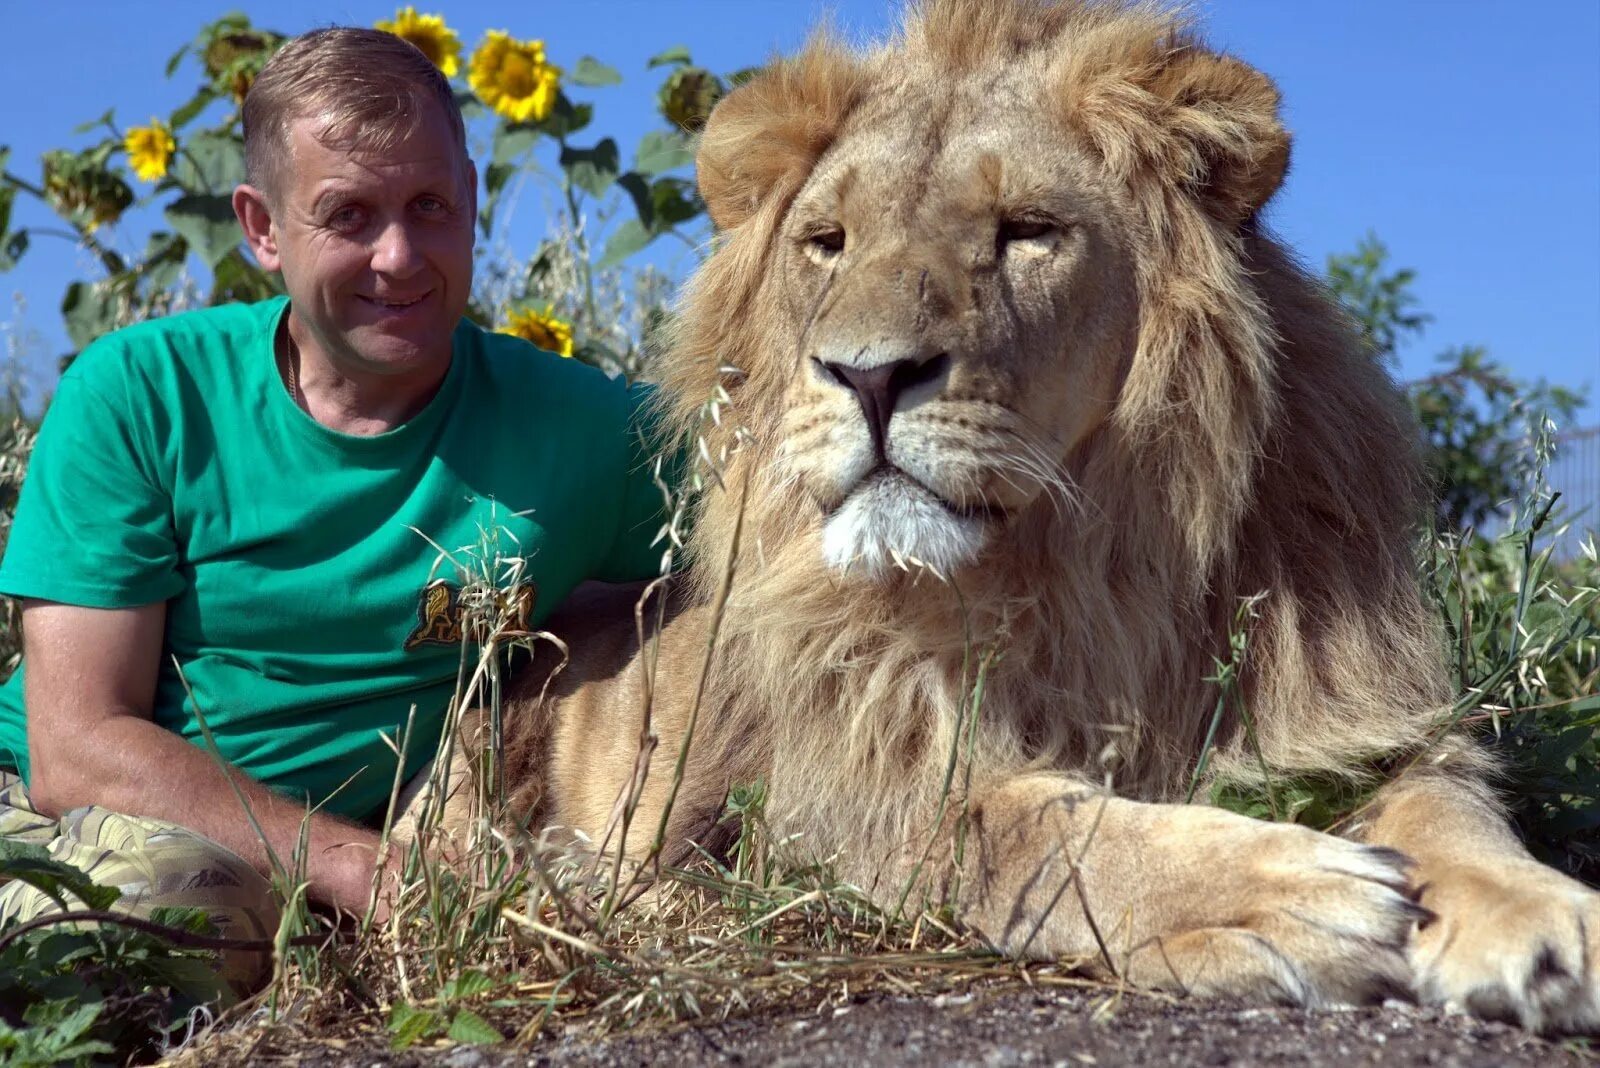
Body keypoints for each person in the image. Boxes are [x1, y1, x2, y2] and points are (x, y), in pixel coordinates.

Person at [0, 27, 670, 983]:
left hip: (321, 873)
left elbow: (779, 515)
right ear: (263, 228)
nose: (399, 257)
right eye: (348, 215)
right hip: (56, 821)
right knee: (178, 905)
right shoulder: (143, 395)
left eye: (429, 206)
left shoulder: (589, 434)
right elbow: (75, 748)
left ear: (473, 199)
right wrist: (363, 868)